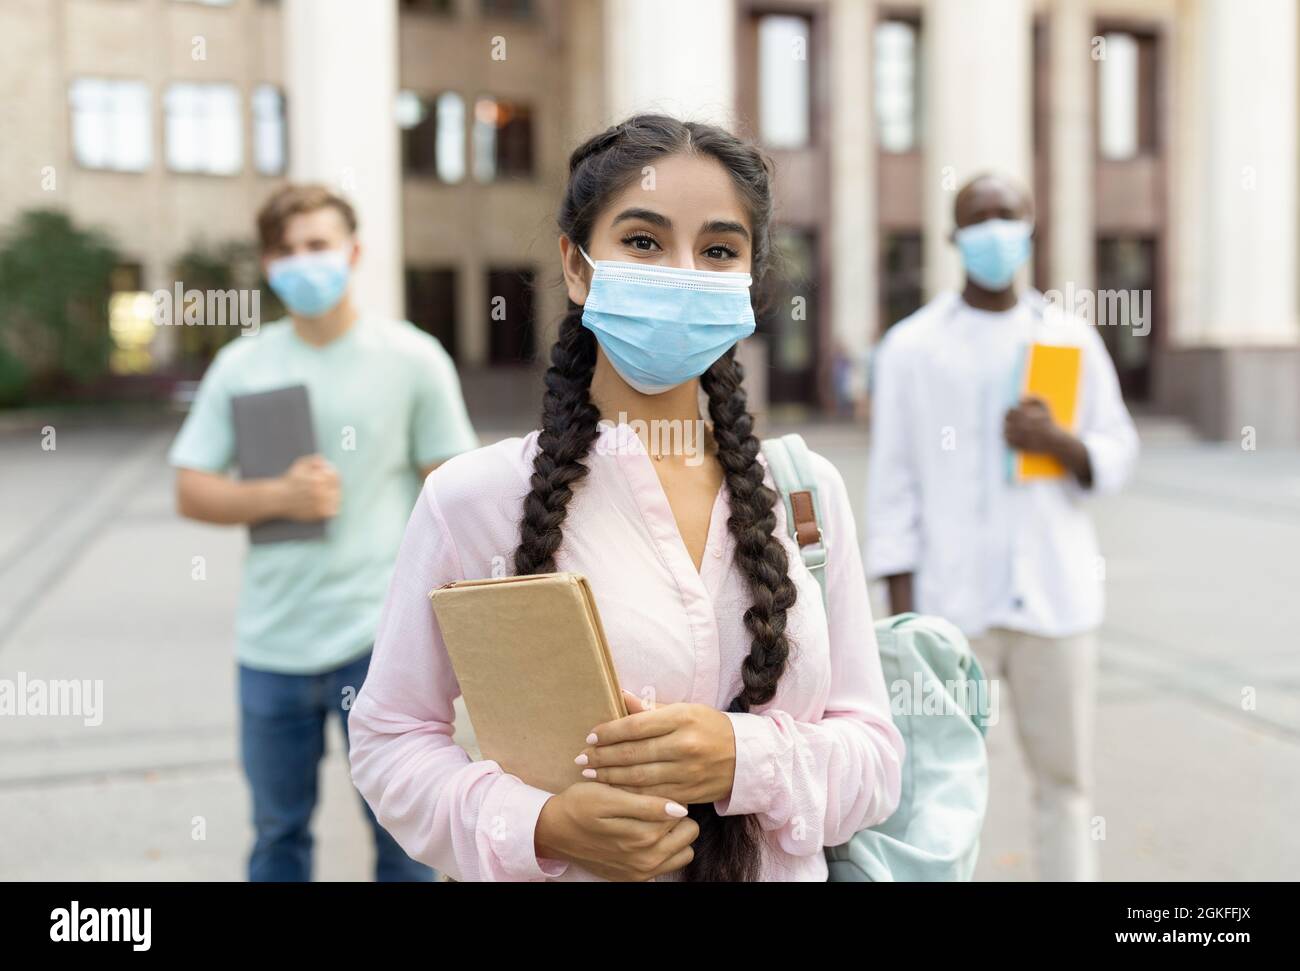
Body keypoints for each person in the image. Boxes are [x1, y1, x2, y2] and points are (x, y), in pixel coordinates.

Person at [348, 115, 905, 882]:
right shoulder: (473, 500)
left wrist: (744, 757)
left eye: (717, 250)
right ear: (577, 268)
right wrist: (542, 824)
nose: (682, 271)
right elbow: (389, 737)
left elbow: (876, 756)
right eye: (643, 241)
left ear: (749, 281)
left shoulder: (806, 493)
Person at [169, 183, 478, 882]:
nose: (302, 261)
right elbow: (190, 486)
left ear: (354, 252)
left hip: (381, 642)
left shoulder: (412, 358)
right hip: (270, 642)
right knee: (277, 836)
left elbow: (456, 496)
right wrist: (275, 494)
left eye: (318, 245)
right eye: (285, 249)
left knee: (405, 842)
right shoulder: (243, 364)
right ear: (267, 263)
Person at [864, 173, 1140, 881]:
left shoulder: (1070, 338)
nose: (995, 231)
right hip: (951, 609)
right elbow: (892, 485)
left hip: (1057, 601)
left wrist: (1063, 444)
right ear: (955, 239)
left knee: (1067, 783)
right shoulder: (911, 347)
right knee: (939, 787)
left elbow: (1117, 448)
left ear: (1030, 230)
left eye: (1007, 216)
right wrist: (908, 625)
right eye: (978, 219)